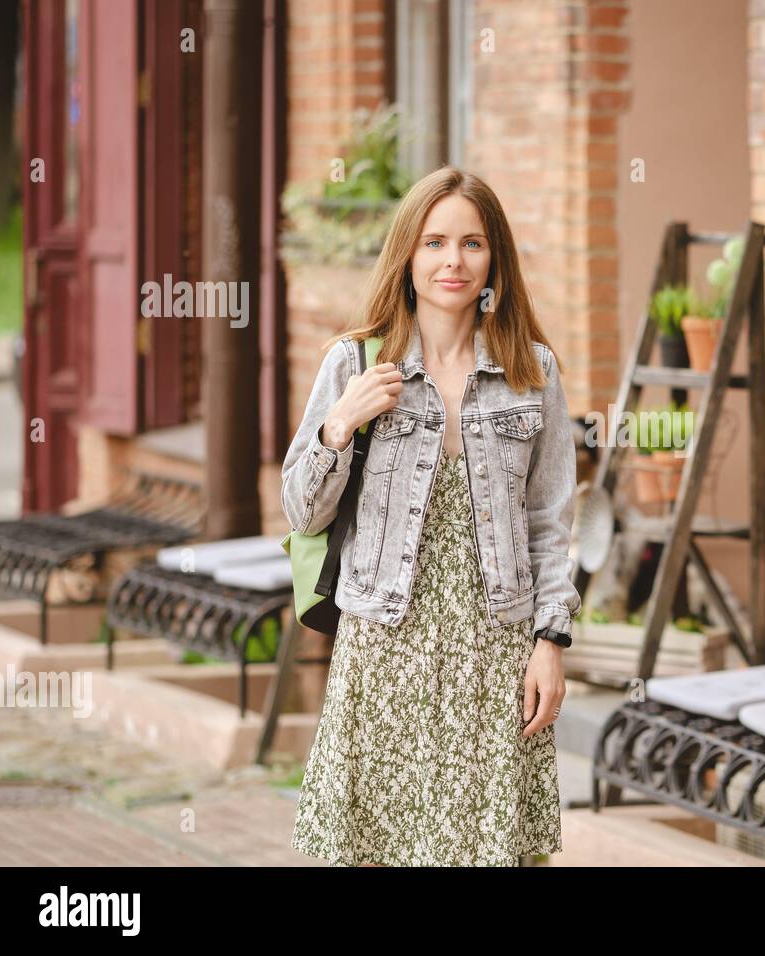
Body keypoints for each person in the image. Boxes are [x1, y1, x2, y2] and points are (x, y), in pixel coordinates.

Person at [283, 166, 581, 866]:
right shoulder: (354, 361)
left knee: (484, 847)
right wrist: (340, 426)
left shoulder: (533, 372)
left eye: (472, 244)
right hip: (385, 644)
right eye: (435, 242)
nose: (453, 261)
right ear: (408, 256)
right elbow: (301, 507)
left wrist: (551, 643)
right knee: (380, 848)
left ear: (493, 260)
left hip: (495, 648)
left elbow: (550, 522)